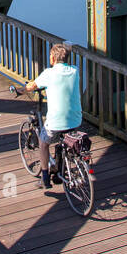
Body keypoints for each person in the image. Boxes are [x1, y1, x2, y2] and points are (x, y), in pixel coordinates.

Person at [24, 43, 82, 190]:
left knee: (43, 143)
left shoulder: (49, 74)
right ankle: (59, 168)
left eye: (51, 55)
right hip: (76, 120)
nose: (49, 57)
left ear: (54, 57)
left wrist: (23, 88)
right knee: (64, 139)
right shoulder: (75, 71)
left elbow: (32, 86)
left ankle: (45, 178)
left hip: (56, 123)